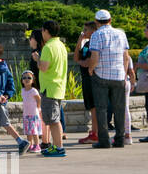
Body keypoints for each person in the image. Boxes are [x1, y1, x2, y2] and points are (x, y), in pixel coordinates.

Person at [85, 9, 134, 149]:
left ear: (96, 22)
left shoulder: (96, 35)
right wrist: (124, 74)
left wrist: (90, 69)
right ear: (110, 20)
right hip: (118, 76)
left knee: (101, 109)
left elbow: (95, 56)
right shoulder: (121, 33)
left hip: (101, 76)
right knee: (119, 108)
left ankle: (104, 140)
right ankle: (119, 139)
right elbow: (126, 57)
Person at [0, 43, 29, 155]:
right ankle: (20, 141)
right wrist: (6, 95)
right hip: (3, 100)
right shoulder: (5, 66)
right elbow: (11, 83)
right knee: (6, 123)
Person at [34, 19, 69, 157]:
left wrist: (37, 58)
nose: (42, 33)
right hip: (58, 86)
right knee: (55, 119)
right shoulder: (61, 45)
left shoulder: (48, 47)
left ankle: (59, 148)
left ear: (46, 31)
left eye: (42, 30)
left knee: (53, 120)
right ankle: (56, 146)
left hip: (49, 87)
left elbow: (43, 67)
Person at [74, 21, 99, 144]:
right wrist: (80, 39)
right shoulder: (87, 43)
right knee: (90, 106)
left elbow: (91, 61)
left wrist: (84, 63)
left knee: (94, 107)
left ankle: (96, 133)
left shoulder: (95, 44)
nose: (83, 31)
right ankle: (94, 132)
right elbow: (76, 57)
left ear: (93, 31)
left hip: (92, 78)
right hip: (85, 78)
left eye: (86, 29)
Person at [20, 71, 43, 152]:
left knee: (34, 131)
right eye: (24, 78)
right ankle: (30, 145)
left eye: (29, 78)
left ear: (33, 80)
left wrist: (38, 108)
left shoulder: (33, 90)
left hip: (33, 114)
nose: (26, 79)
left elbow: (39, 99)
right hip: (26, 114)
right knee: (28, 131)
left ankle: (37, 145)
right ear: (22, 80)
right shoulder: (23, 90)